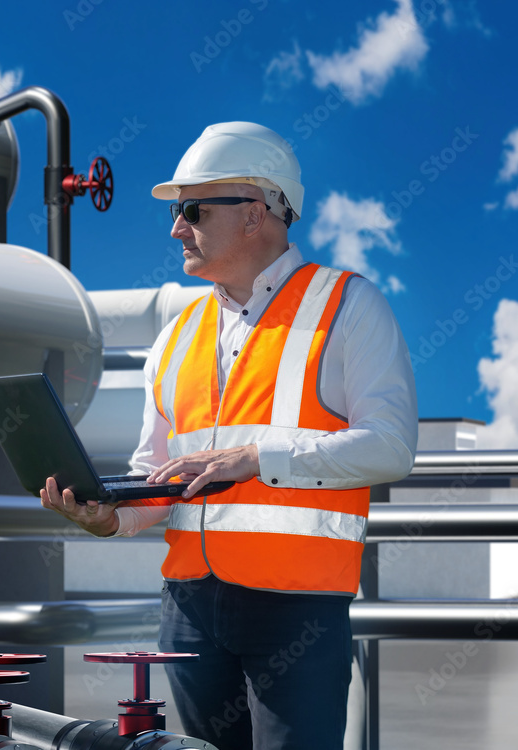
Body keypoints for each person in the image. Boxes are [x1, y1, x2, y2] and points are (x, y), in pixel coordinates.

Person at [40, 122, 417, 750]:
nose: (175, 228)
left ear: (256, 211)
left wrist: (257, 457)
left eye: (192, 209)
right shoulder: (175, 337)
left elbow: (391, 446)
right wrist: (109, 517)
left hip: (296, 611)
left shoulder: (349, 306)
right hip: (187, 611)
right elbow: (155, 475)